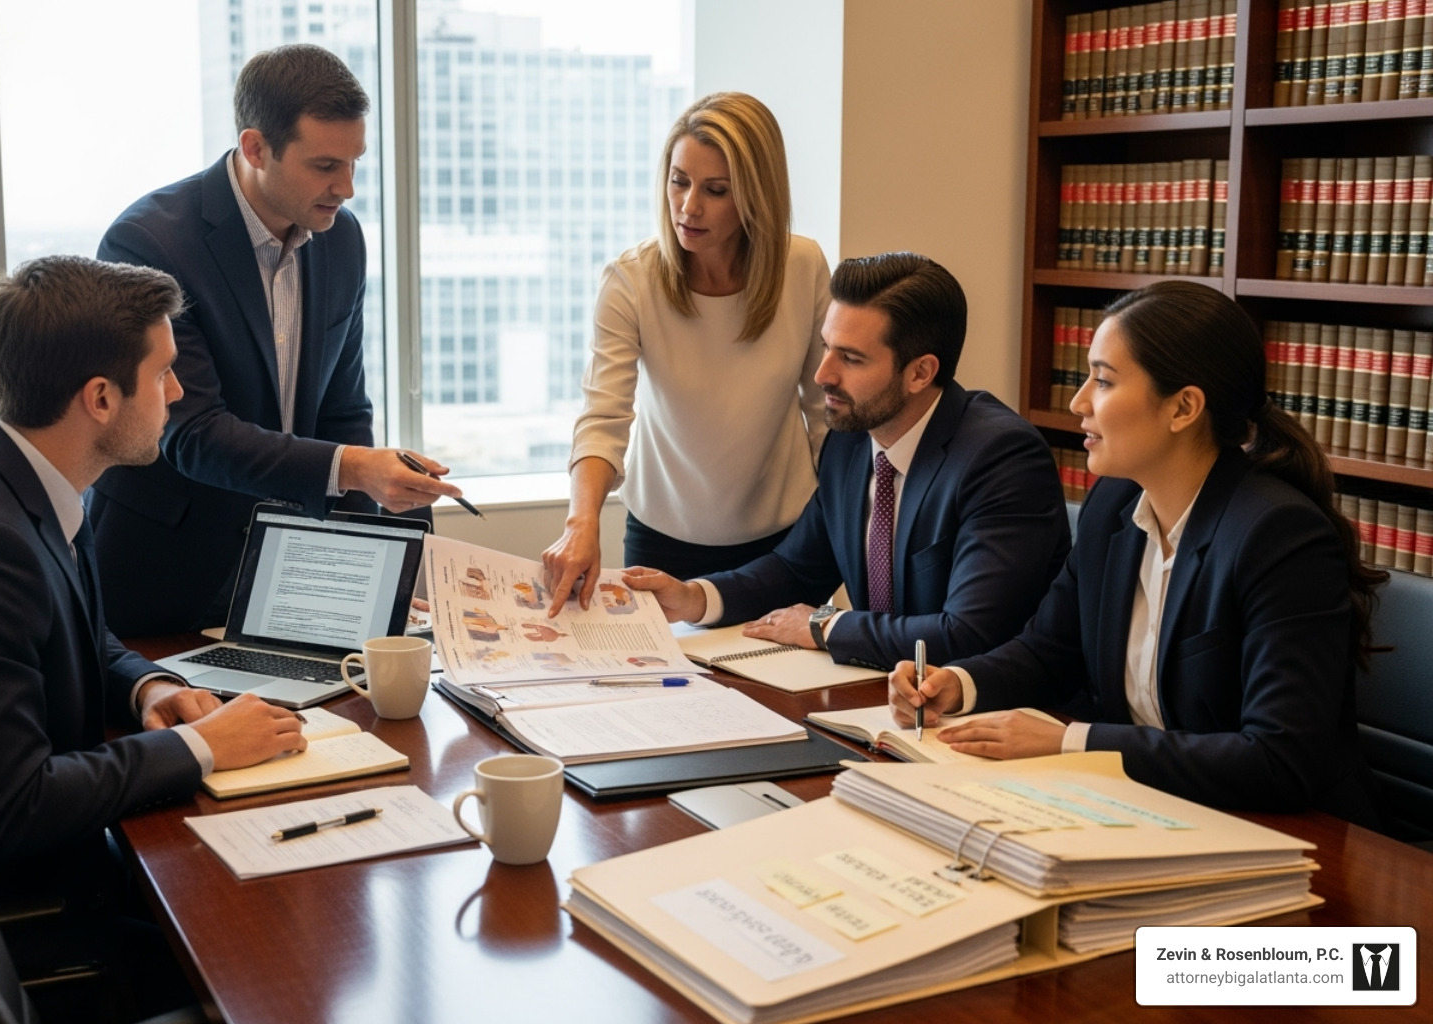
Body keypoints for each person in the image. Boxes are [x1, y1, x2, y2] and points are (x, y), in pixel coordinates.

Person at [0, 256, 306, 1008]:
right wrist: (202, 747)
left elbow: (82, 639)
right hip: (43, 908)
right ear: (100, 397)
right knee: (284, 968)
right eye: (164, 375)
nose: (178, 394)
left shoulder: (18, 478)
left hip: (68, 869)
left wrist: (149, 686)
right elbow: (11, 809)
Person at [888, 281, 1383, 823]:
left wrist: (1071, 742)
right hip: (1146, 810)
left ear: (1183, 408)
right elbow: (1049, 650)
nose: (1078, 402)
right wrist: (957, 684)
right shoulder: (1114, 505)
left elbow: (1277, 760)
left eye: (1102, 381)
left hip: (1291, 838)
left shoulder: (1279, 535)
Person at [91, 43, 457, 636]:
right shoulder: (150, 244)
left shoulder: (342, 240)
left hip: (294, 576)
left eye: (354, 163)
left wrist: (371, 564)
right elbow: (193, 433)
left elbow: (343, 410)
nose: (347, 187)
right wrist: (357, 469)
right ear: (255, 148)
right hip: (168, 569)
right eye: (324, 166)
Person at [625, 252, 1070, 670]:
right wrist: (694, 598)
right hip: (885, 696)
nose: (823, 375)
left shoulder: (1002, 458)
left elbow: (971, 633)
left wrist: (824, 625)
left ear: (920, 372)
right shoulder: (852, 441)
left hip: (991, 714)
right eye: (826, 347)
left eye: (851, 359)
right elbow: (798, 569)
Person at [542, 92, 831, 613]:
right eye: (679, 181)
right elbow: (603, 418)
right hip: (662, 543)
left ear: (757, 195)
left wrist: (849, 532)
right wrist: (580, 522)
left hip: (783, 545)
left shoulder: (803, 266)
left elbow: (828, 417)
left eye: (716, 190)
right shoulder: (632, 279)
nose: (689, 206)